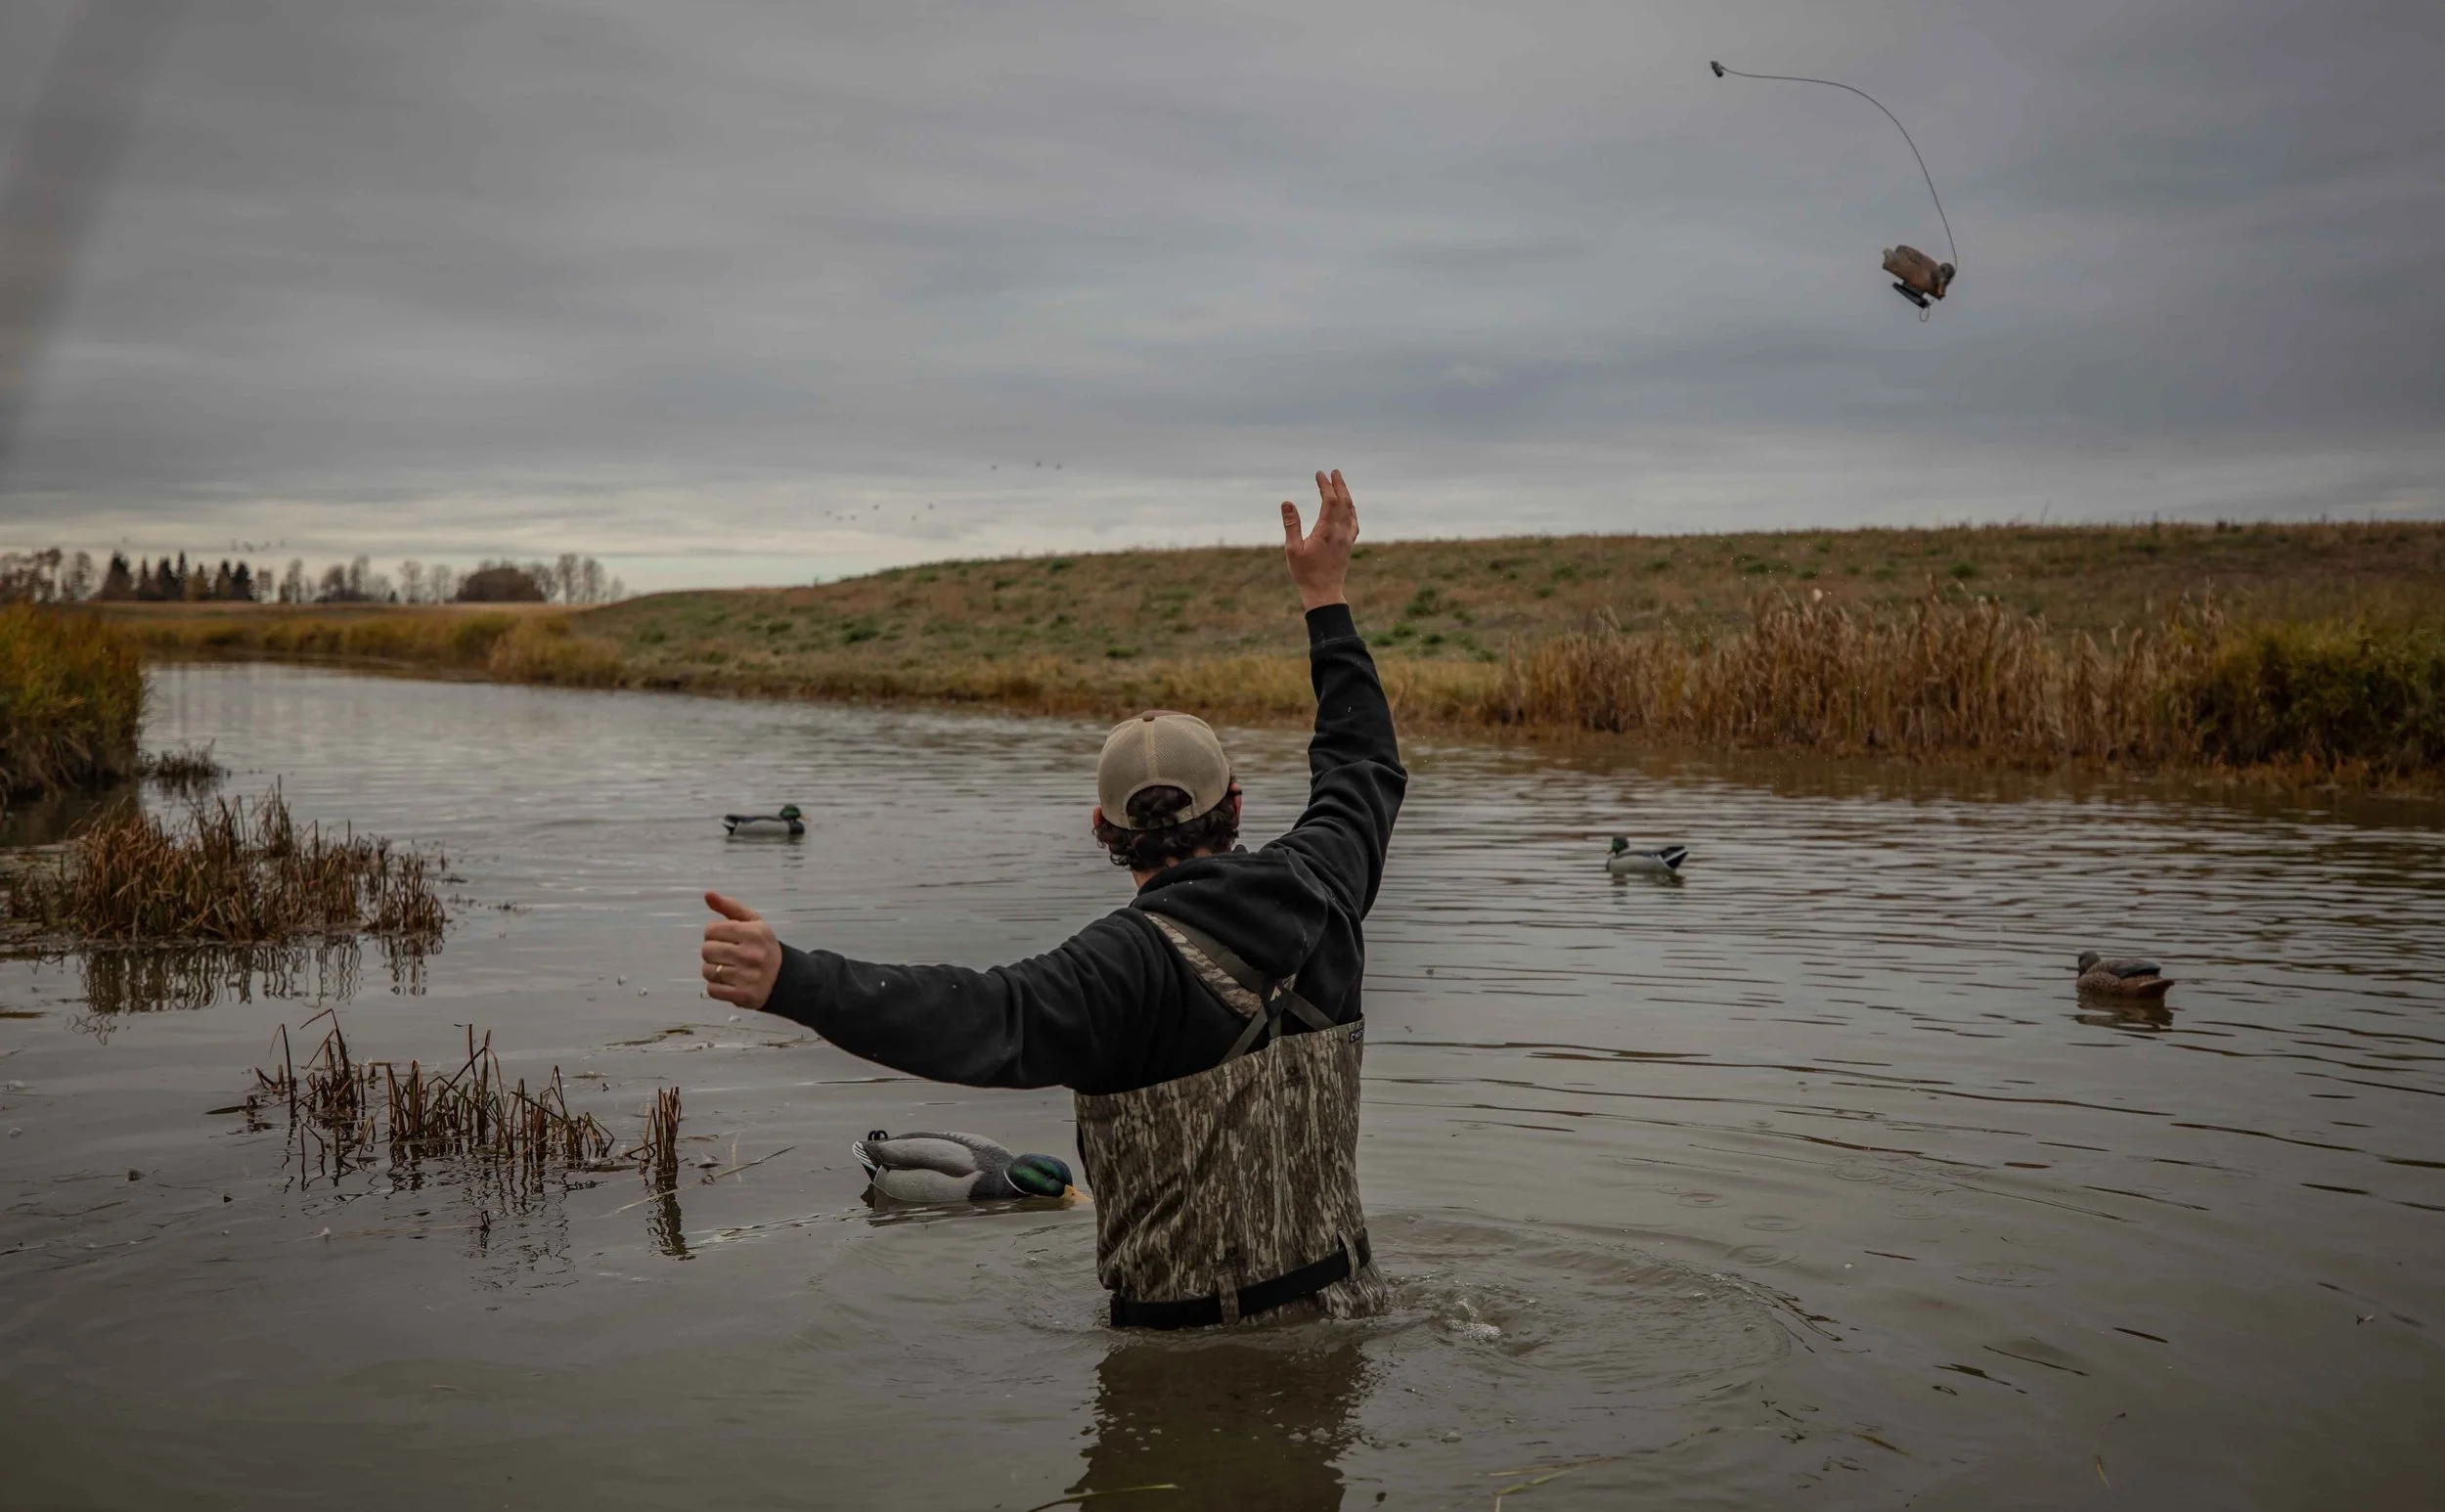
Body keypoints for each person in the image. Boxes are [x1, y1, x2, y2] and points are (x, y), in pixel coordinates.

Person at [698, 469, 1402, 1328]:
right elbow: (1361, 763)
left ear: (1102, 832)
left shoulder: (1114, 970)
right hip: (1353, 1320)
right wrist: (1324, 597)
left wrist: (792, 980)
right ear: (1237, 806)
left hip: (1181, 1363)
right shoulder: (1325, 882)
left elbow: (974, 1016)